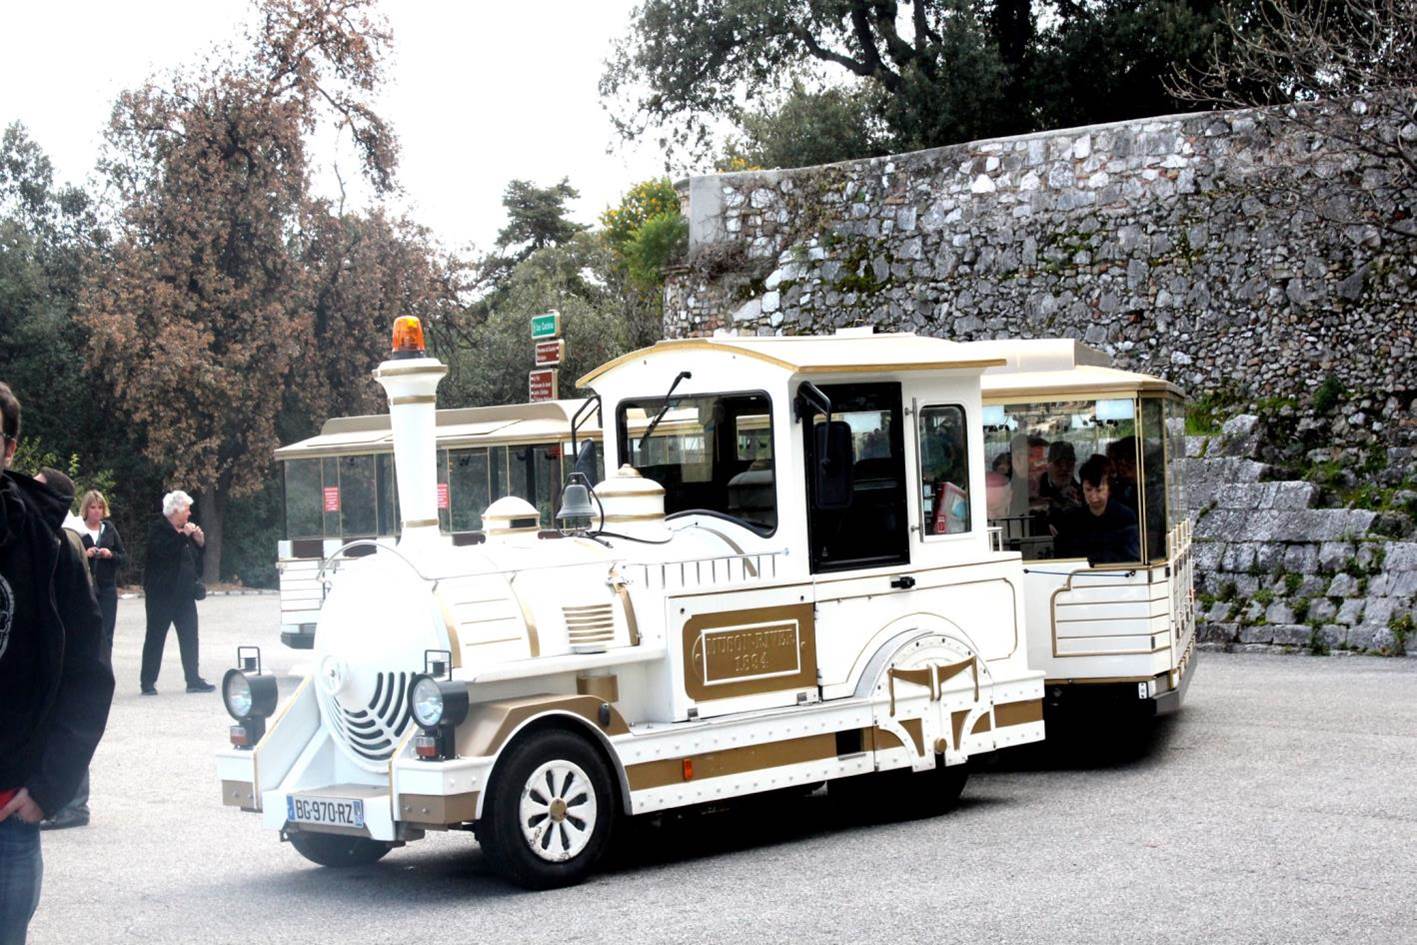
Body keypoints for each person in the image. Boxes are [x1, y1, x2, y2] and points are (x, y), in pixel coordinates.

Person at [0, 380, 115, 944]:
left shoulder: (49, 547)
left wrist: (51, 785)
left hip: (8, 816)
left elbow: (87, 675)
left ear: (10, 448)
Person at [140, 490, 213, 694]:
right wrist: (184, 536)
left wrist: (200, 543)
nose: (189, 514)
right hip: (161, 595)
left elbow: (194, 561)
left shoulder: (184, 533)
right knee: (155, 637)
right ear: (175, 511)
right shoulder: (159, 529)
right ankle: (148, 682)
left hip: (185, 595)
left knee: (190, 637)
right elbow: (164, 553)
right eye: (187, 510)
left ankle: (193, 679)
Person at [1054, 454, 1141, 565]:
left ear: (1109, 489)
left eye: (1099, 490)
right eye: (1088, 490)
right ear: (1082, 489)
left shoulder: (1125, 517)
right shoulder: (1072, 520)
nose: (1094, 497)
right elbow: (1063, 557)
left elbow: (1132, 558)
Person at [76, 490, 125, 651]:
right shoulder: (77, 530)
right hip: (85, 587)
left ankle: (105, 665)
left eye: (100, 507)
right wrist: (85, 554)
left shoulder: (109, 529)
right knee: (86, 631)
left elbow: (123, 557)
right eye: (92, 507)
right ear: (86, 509)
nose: (97, 511)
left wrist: (110, 554)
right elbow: (69, 557)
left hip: (107, 587)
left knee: (106, 633)